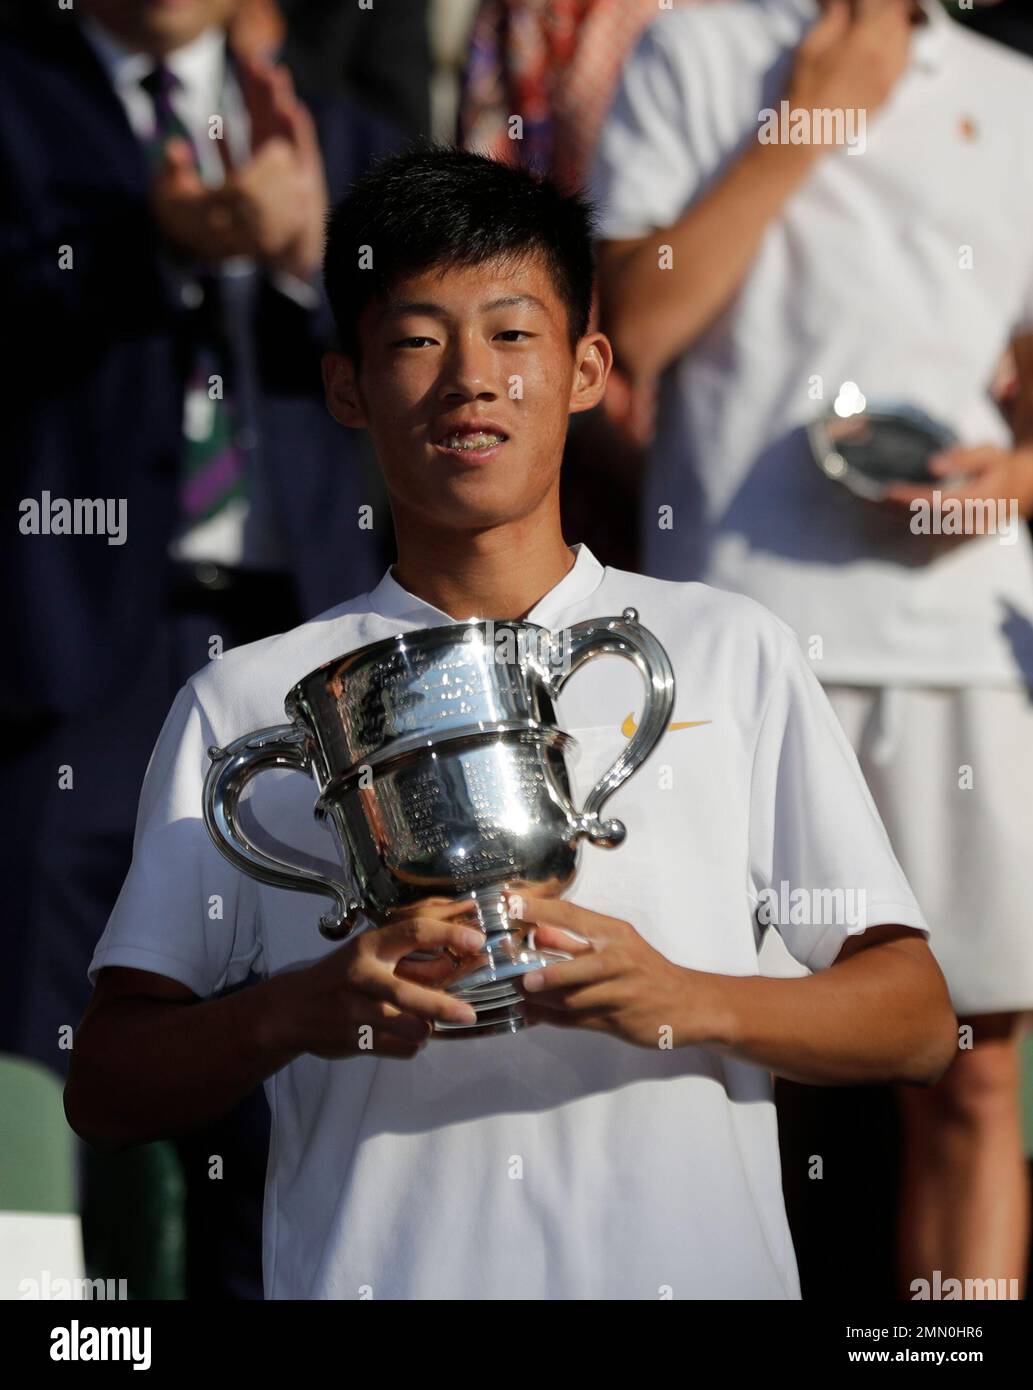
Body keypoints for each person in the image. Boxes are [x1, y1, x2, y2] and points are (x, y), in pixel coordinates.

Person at [65, 145, 955, 1301]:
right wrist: (300, 1006)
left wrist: (689, 998)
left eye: (513, 333)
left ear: (588, 366)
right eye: (418, 339)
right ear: (346, 385)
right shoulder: (248, 699)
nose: (469, 379)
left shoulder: (732, 649)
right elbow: (110, 1082)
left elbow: (918, 1017)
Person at [591, 0, 1033, 1295]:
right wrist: (813, 118)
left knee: (973, 1072)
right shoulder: (694, 50)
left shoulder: (1011, 89)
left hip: (956, 646)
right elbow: (637, 325)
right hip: (731, 647)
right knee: (704, 1070)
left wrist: (1003, 482)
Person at [0, 0, 400, 1295]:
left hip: (301, 644)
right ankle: (43, 1298)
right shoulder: (13, 98)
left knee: (285, 990)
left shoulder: (341, 138)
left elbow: (444, 348)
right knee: (31, 1023)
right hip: (67, 651)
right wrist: (142, 244)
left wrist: (307, 256)